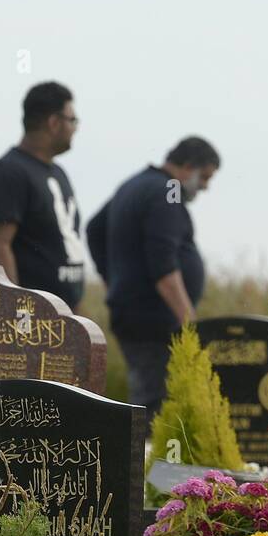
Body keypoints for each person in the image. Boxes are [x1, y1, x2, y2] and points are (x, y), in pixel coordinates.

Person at [87, 136, 220, 416]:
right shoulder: (167, 192)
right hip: (155, 320)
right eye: (205, 177)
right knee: (158, 404)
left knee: (148, 393)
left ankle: (145, 456)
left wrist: (115, 280)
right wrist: (190, 324)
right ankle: (147, 459)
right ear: (187, 166)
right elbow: (164, 268)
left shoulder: (134, 184)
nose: (205, 187)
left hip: (131, 313)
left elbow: (94, 229)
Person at [0, 81, 87, 308]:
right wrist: (17, 317)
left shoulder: (58, 173)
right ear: (54, 122)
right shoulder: (8, 173)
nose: (76, 128)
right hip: (31, 325)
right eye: (72, 120)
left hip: (63, 319)